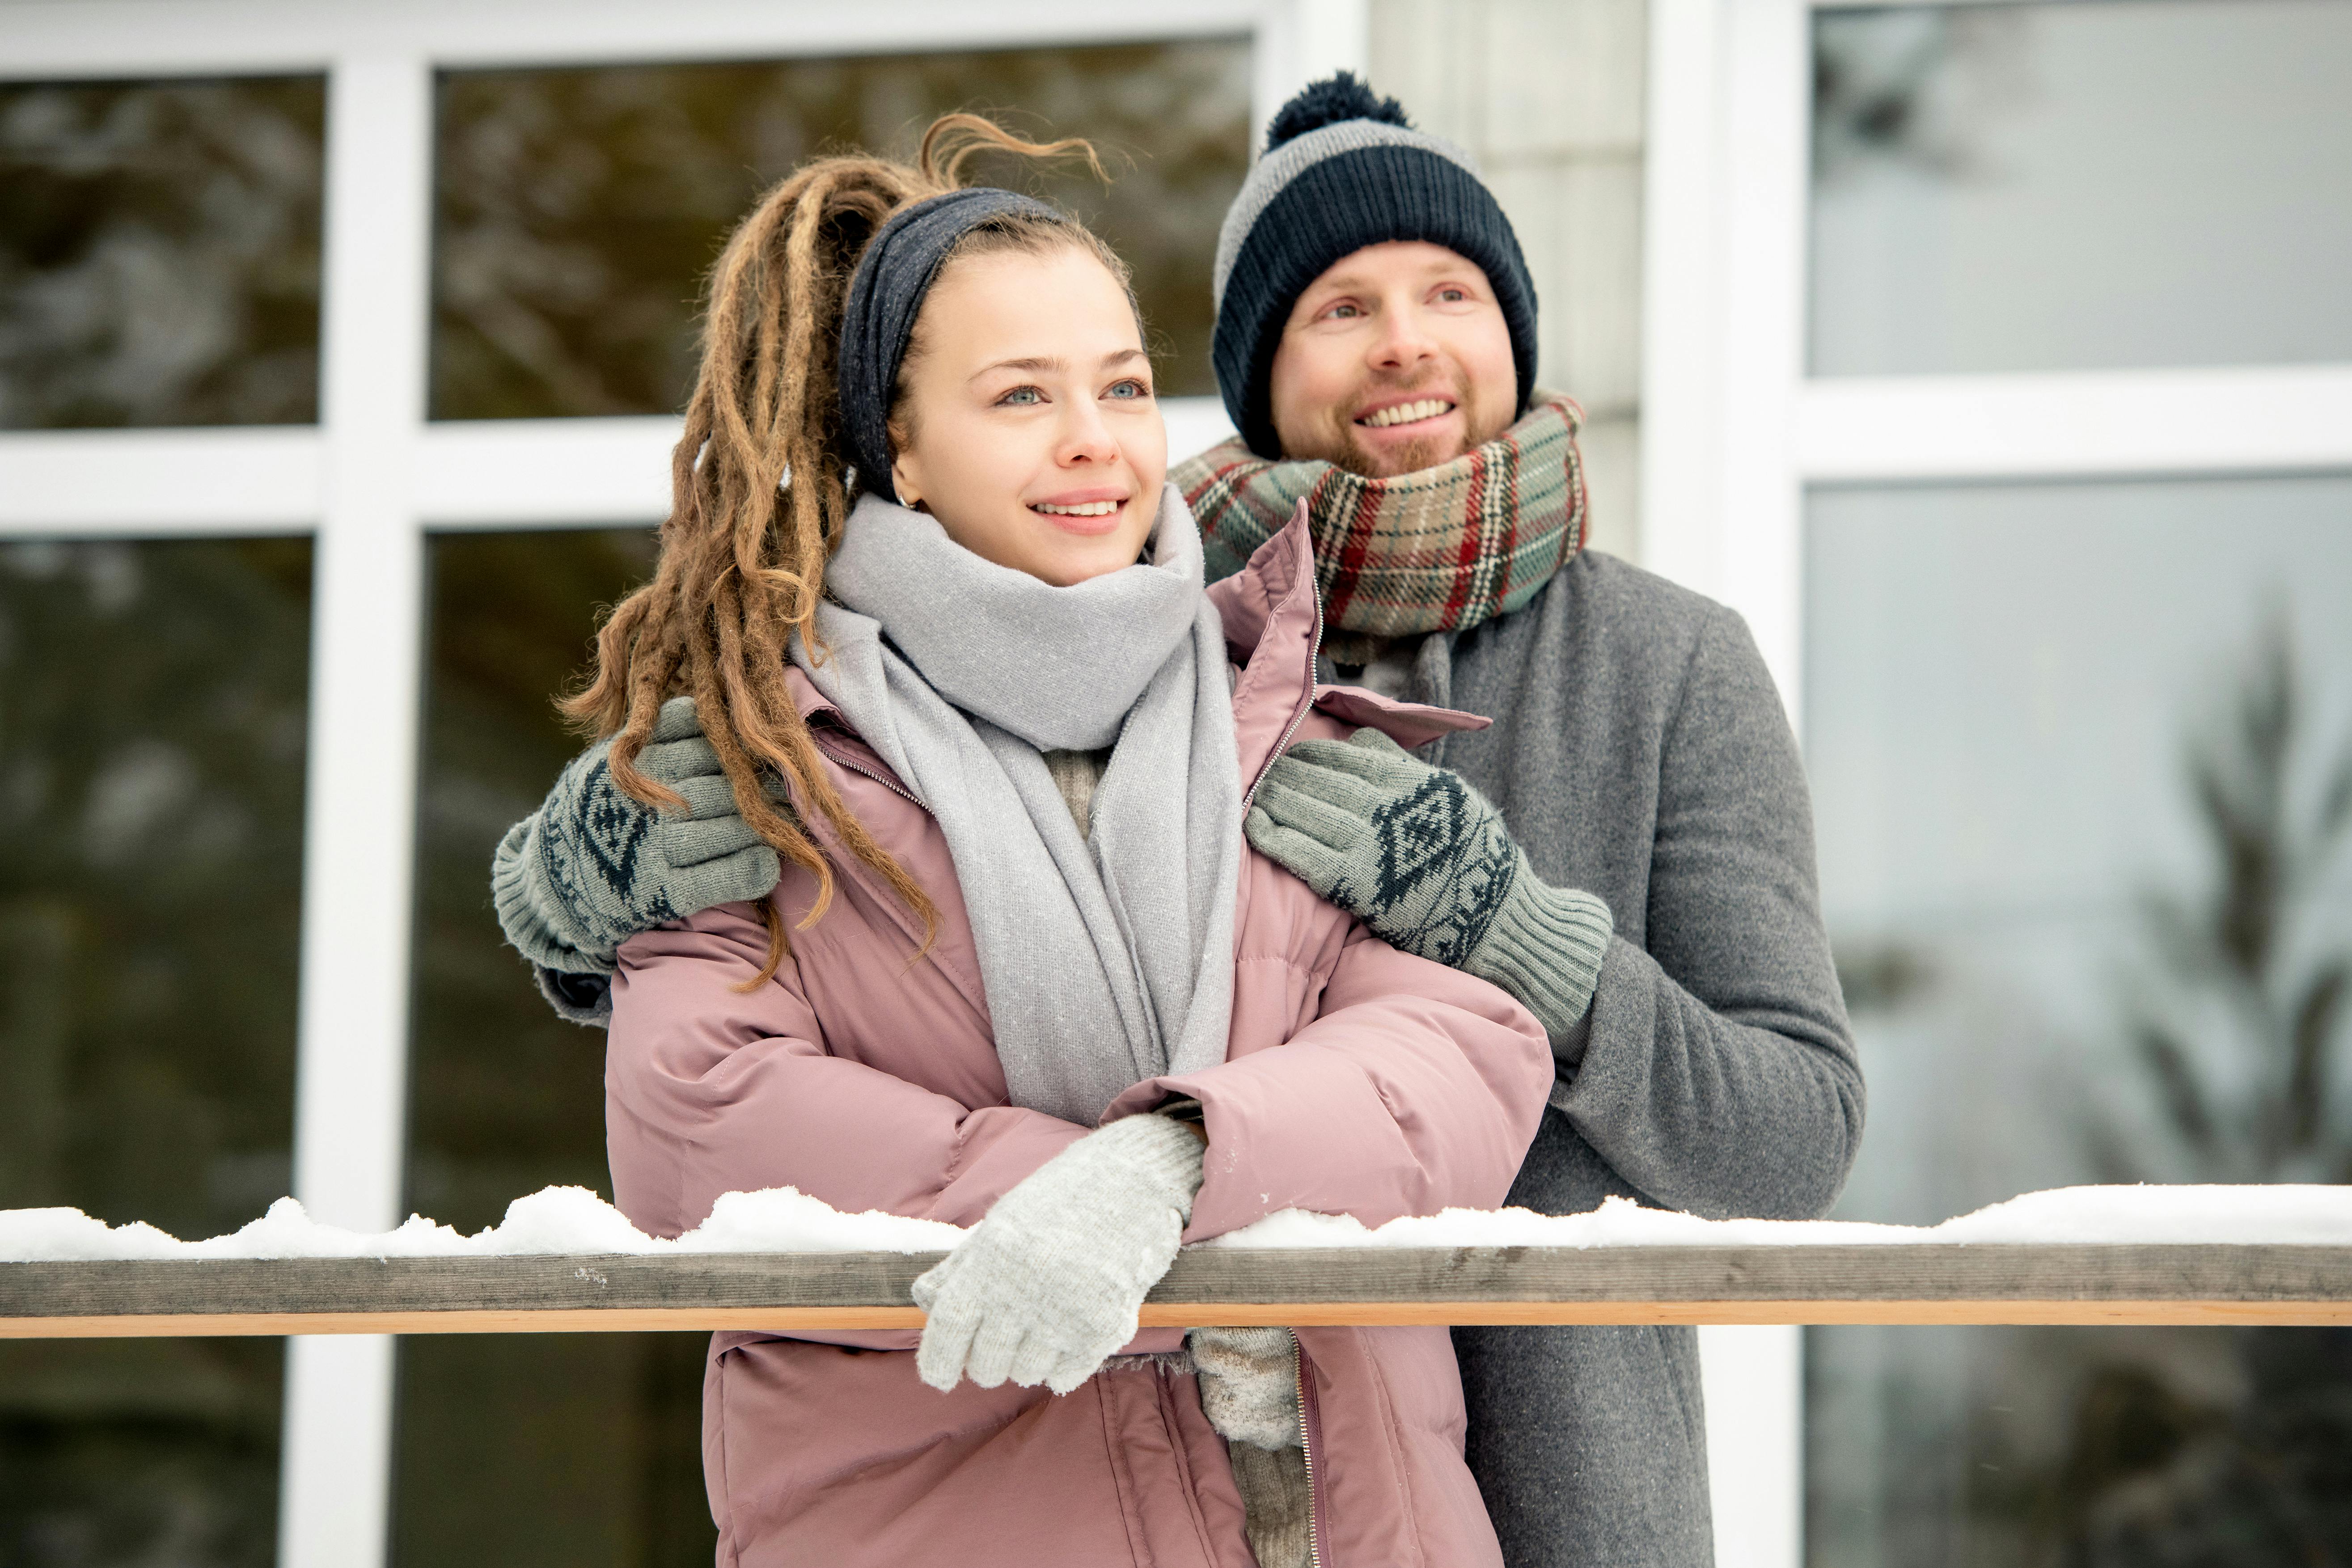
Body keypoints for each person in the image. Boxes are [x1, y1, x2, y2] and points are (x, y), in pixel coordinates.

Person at [497, 78, 1865, 1568]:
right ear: (1256, 377)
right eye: (1339, 306)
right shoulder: (1183, 633)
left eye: (1449, 290)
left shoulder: (1654, 665)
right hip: (1052, 1476)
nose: (1404, 337)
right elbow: (726, 1058)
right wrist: (569, 892)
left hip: (1529, 1476)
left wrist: (1519, 941)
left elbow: (1777, 1133)